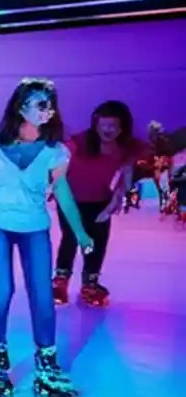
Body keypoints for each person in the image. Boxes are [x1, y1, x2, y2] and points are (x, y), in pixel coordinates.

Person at [0, 78, 93, 397]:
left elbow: (62, 192)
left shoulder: (54, 152)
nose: (48, 111)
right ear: (21, 108)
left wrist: (80, 231)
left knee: (42, 292)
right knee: (3, 288)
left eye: (50, 104)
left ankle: (46, 360)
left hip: (34, 227)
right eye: (40, 104)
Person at [53, 100, 146, 307]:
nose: (108, 130)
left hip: (100, 202)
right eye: (104, 125)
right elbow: (57, 166)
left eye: (113, 125)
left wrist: (117, 198)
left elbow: (126, 175)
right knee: (70, 238)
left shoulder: (125, 148)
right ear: (95, 124)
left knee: (97, 242)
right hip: (71, 200)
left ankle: (90, 283)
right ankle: (61, 281)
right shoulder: (78, 143)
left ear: (122, 127)